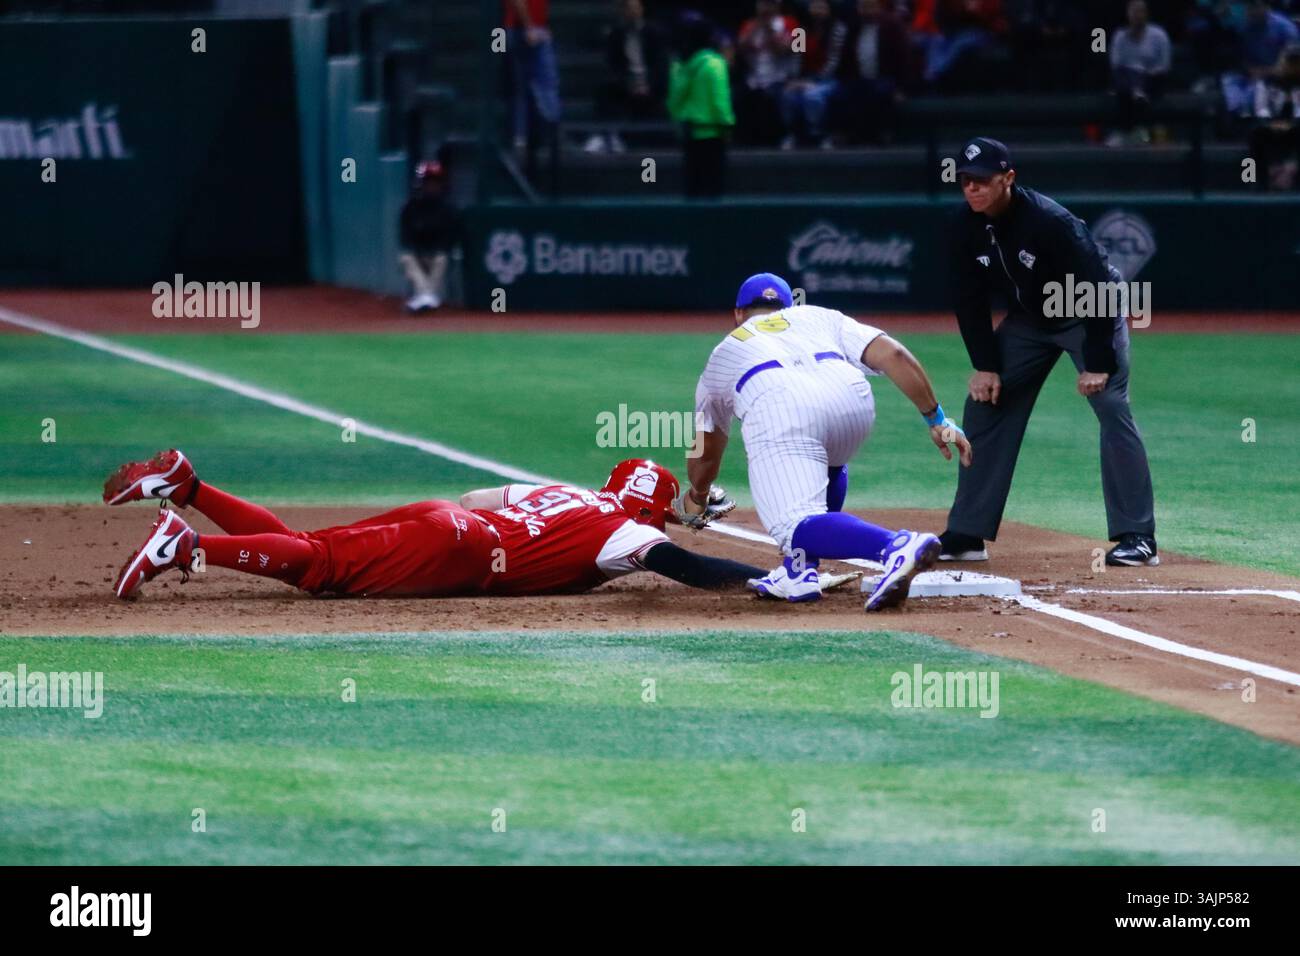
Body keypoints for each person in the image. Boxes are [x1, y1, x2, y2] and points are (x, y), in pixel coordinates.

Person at [103, 451, 847, 600]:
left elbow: (478, 491)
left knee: (313, 549)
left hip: (448, 518)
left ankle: (190, 485)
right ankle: (187, 543)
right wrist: (763, 578)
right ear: (646, 508)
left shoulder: (570, 493)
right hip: (461, 551)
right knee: (322, 570)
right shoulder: (623, 532)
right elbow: (680, 563)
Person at [680, 272, 973, 611]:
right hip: (852, 400)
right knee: (826, 457)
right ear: (789, 307)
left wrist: (697, 497)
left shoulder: (724, 352)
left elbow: (706, 452)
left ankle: (897, 545)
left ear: (738, 314)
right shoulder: (818, 315)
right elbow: (894, 355)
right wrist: (936, 420)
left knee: (793, 524)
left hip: (781, 405)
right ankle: (799, 571)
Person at [939, 137, 1159, 567]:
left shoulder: (1049, 220)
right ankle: (968, 532)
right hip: (1030, 320)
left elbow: (1097, 285)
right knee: (985, 402)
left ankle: (1138, 536)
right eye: (965, 181)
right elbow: (968, 298)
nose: (972, 189)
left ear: (1008, 178)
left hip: (1086, 308)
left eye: (982, 180)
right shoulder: (962, 225)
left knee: (1111, 403)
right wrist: (985, 365)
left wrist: (1097, 362)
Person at [667, 12, 735, 198]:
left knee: (692, 188)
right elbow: (720, 103)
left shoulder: (679, 65)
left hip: (690, 134)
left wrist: (679, 123)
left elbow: (673, 102)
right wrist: (727, 127)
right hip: (713, 135)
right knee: (714, 188)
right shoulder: (715, 64)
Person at [589, 0, 670, 153]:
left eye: (635, 8)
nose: (632, 12)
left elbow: (660, 66)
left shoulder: (654, 33)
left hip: (650, 83)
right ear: (622, 11)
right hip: (627, 83)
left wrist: (647, 85)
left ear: (641, 9)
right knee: (604, 91)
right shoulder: (616, 34)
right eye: (628, 8)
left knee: (660, 90)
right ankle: (606, 137)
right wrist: (629, 84)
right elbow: (613, 66)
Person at [830, 0, 909, 146]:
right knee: (841, 94)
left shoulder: (892, 25)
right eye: (863, 7)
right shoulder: (853, 26)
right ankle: (846, 136)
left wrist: (901, 88)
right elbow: (845, 60)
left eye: (870, 7)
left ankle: (880, 135)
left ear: (878, 7)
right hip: (857, 79)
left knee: (878, 92)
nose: (866, 11)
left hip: (885, 78)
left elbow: (903, 59)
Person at [779, 0, 847, 150]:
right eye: (814, 6)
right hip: (804, 77)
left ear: (829, 9)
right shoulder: (801, 30)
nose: (818, 11)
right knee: (788, 94)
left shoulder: (838, 29)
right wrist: (795, 80)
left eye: (822, 7)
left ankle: (819, 134)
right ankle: (793, 134)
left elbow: (833, 61)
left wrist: (815, 82)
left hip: (830, 78)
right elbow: (796, 58)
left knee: (813, 96)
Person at [398, 161, 461, 313]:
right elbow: (405, 236)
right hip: (418, 253)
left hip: (437, 253)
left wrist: (434, 251)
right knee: (406, 257)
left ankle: (423, 297)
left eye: (435, 182)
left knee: (441, 258)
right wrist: (419, 252)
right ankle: (427, 296)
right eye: (428, 182)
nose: (431, 186)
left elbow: (449, 238)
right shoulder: (411, 207)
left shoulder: (447, 208)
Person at [1107, 0, 1172, 146]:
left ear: (1146, 14)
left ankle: (1126, 131)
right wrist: (1134, 79)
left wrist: (1143, 75)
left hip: (1153, 78)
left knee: (1135, 86)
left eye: (1140, 11)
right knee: (1125, 83)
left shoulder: (1159, 35)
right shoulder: (1119, 36)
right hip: (1127, 81)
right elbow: (1116, 65)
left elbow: (1164, 65)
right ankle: (1134, 130)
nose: (1137, 15)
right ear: (1128, 14)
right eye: (1134, 11)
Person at [735, 0, 800, 144]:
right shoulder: (748, 25)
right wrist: (756, 27)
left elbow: (789, 51)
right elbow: (740, 50)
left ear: (777, 5)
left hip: (781, 80)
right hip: (754, 80)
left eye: (769, 3)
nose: (765, 7)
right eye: (762, 3)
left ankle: (786, 136)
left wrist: (769, 30)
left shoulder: (791, 23)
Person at [1221, 1, 1300, 117]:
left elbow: (1291, 61)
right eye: (1250, 7)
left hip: (1283, 76)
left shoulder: (1285, 27)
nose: (1252, 10)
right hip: (1254, 74)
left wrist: (1270, 71)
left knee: (1262, 91)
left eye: (1256, 6)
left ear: (1266, 6)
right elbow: (1241, 57)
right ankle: (1238, 118)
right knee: (1230, 80)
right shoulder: (1245, 27)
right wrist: (1251, 70)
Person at [504, 0, 562, 152]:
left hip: (531, 28)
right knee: (542, 83)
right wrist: (529, 26)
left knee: (527, 87)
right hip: (521, 30)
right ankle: (547, 132)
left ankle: (525, 135)